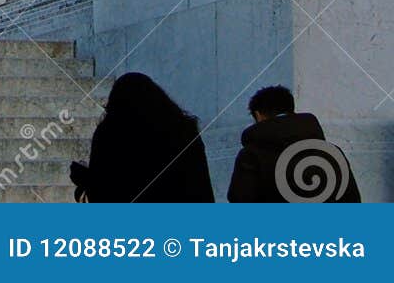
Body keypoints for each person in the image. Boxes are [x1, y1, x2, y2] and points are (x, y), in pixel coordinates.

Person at [69, 73, 214, 202]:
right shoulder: (184, 130)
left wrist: (85, 179)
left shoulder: (110, 133)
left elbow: (106, 195)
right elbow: (201, 189)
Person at [227, 85, 361, 202]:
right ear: (291, 109)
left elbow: (241, 201)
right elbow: (351, 201)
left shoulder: (251, 156)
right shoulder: (331, 152)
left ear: (258, 115)